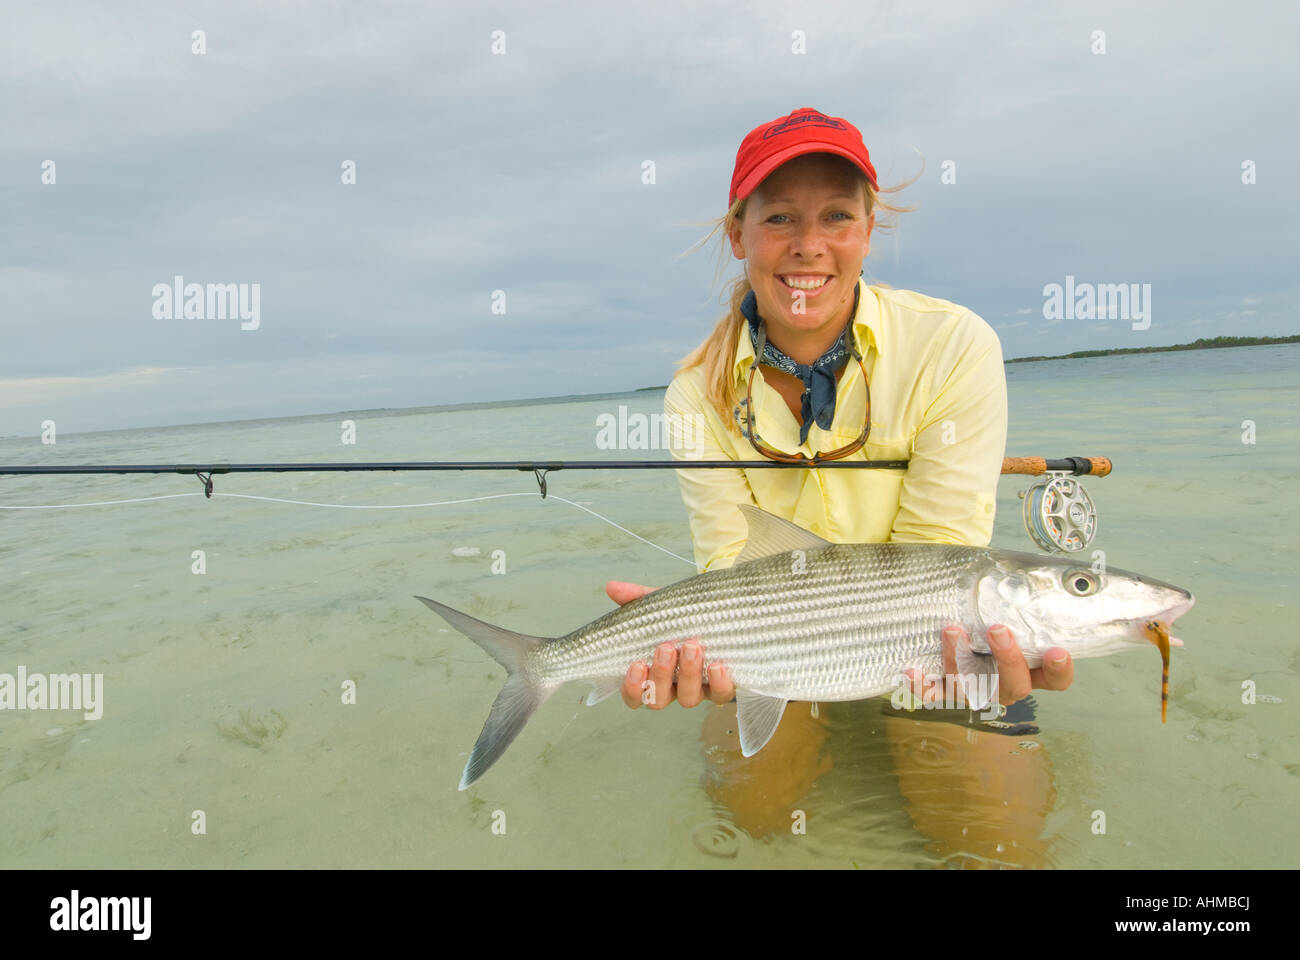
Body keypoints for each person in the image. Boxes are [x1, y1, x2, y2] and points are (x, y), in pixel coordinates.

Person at [605, 106, 1074, 724]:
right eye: (779, 218)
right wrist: (684, 631)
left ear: (869, 229)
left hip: (935, 655)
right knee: (757, 812)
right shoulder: (694, 396)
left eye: (837, 216)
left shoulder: (954, 345)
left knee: (991, 821)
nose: (809, 246)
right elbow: (732, 565)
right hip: (775, 656)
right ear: (737, 235)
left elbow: (940, 551)